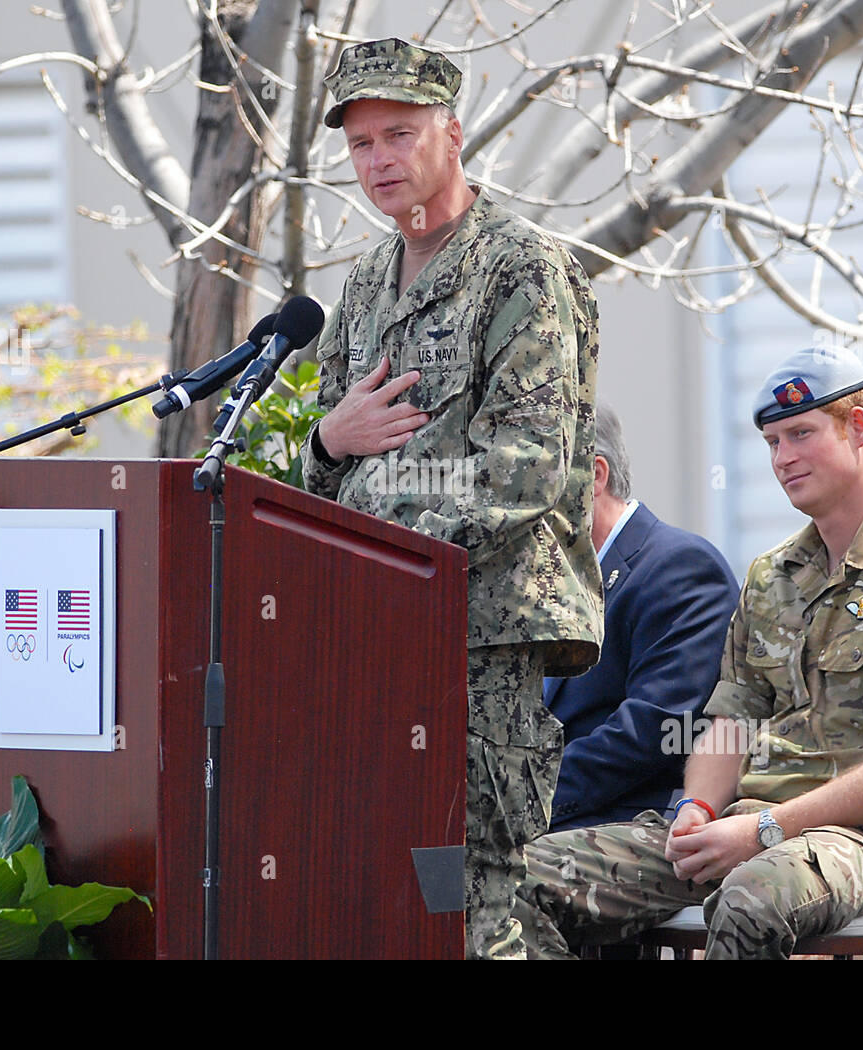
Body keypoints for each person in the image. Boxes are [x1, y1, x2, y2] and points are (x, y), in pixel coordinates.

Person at [515, 345, 863, 959]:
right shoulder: (773, 577)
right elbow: (730, 721)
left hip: (859, 842)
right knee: (512, 877)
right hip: (743, 825)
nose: (782, 458)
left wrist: (763, 829)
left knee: (750, 899)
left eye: (800, 433)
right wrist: (697, 807)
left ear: (858, 429)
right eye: (772, 442)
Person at [303, 37, 604, 959]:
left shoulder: (522, 268)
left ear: (454, 134)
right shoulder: (360, 286)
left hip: (476, 635)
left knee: (473, 908)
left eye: (400, 133)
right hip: (370, 634)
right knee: (386, 901)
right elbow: (324, 468)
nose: (379, 160)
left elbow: (528, 467)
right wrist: (328, 441)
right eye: (360, 145)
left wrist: (397, 562)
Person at [544, 403, 737, 831]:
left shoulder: (680, 567)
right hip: (557, 817)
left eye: (535, 475)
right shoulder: (552, 579)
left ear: (595, 475)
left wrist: (523, 794)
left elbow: (651, 732)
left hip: (631, 823)